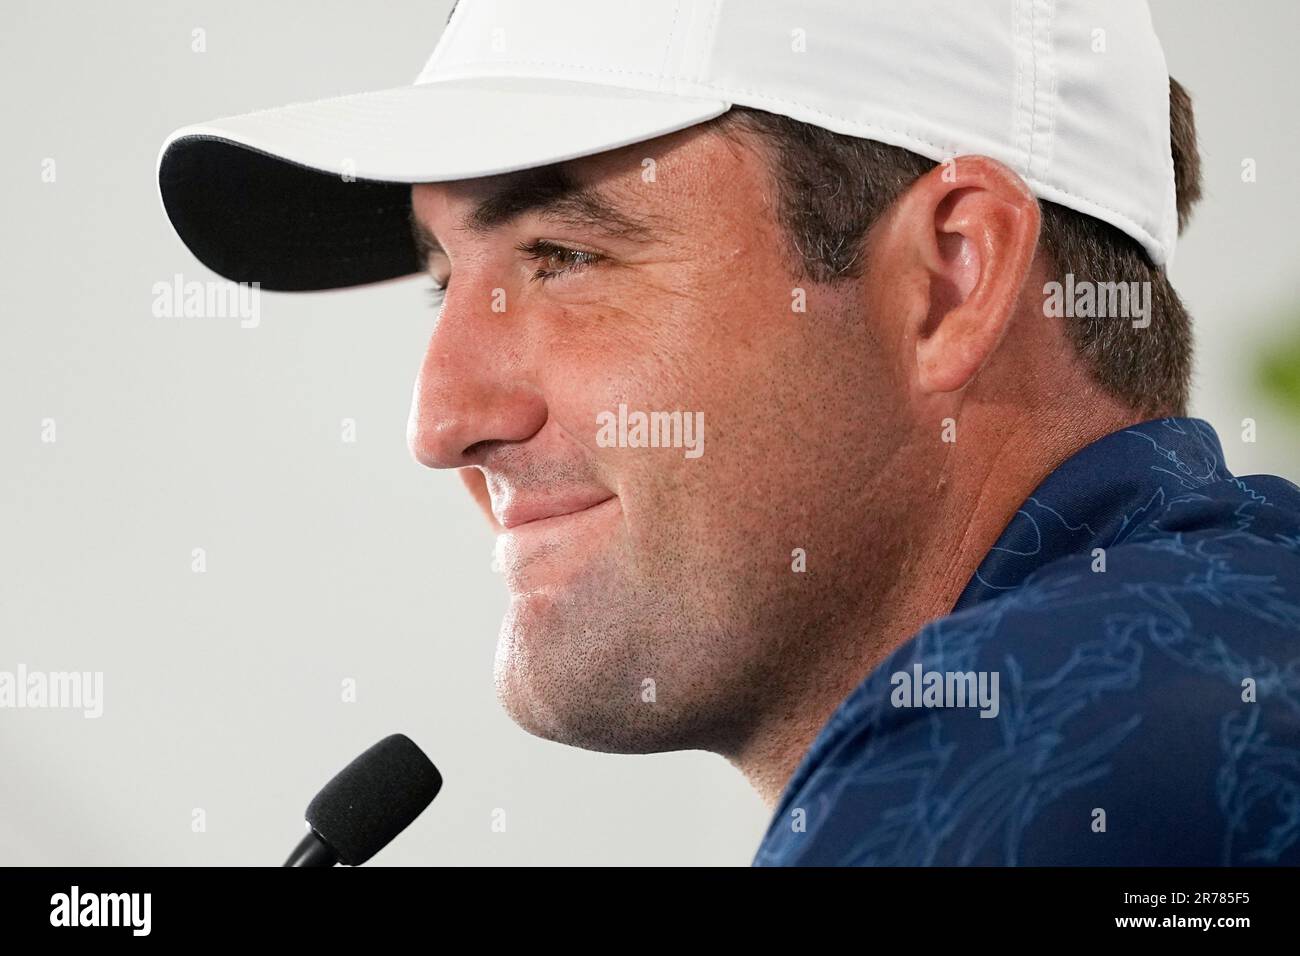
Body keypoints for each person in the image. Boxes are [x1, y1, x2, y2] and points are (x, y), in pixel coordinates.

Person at [157, 0, 1300, 865]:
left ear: (951, 279)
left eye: (565, 256)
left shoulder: (1012, 747)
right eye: (441, 279)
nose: (441, 422)